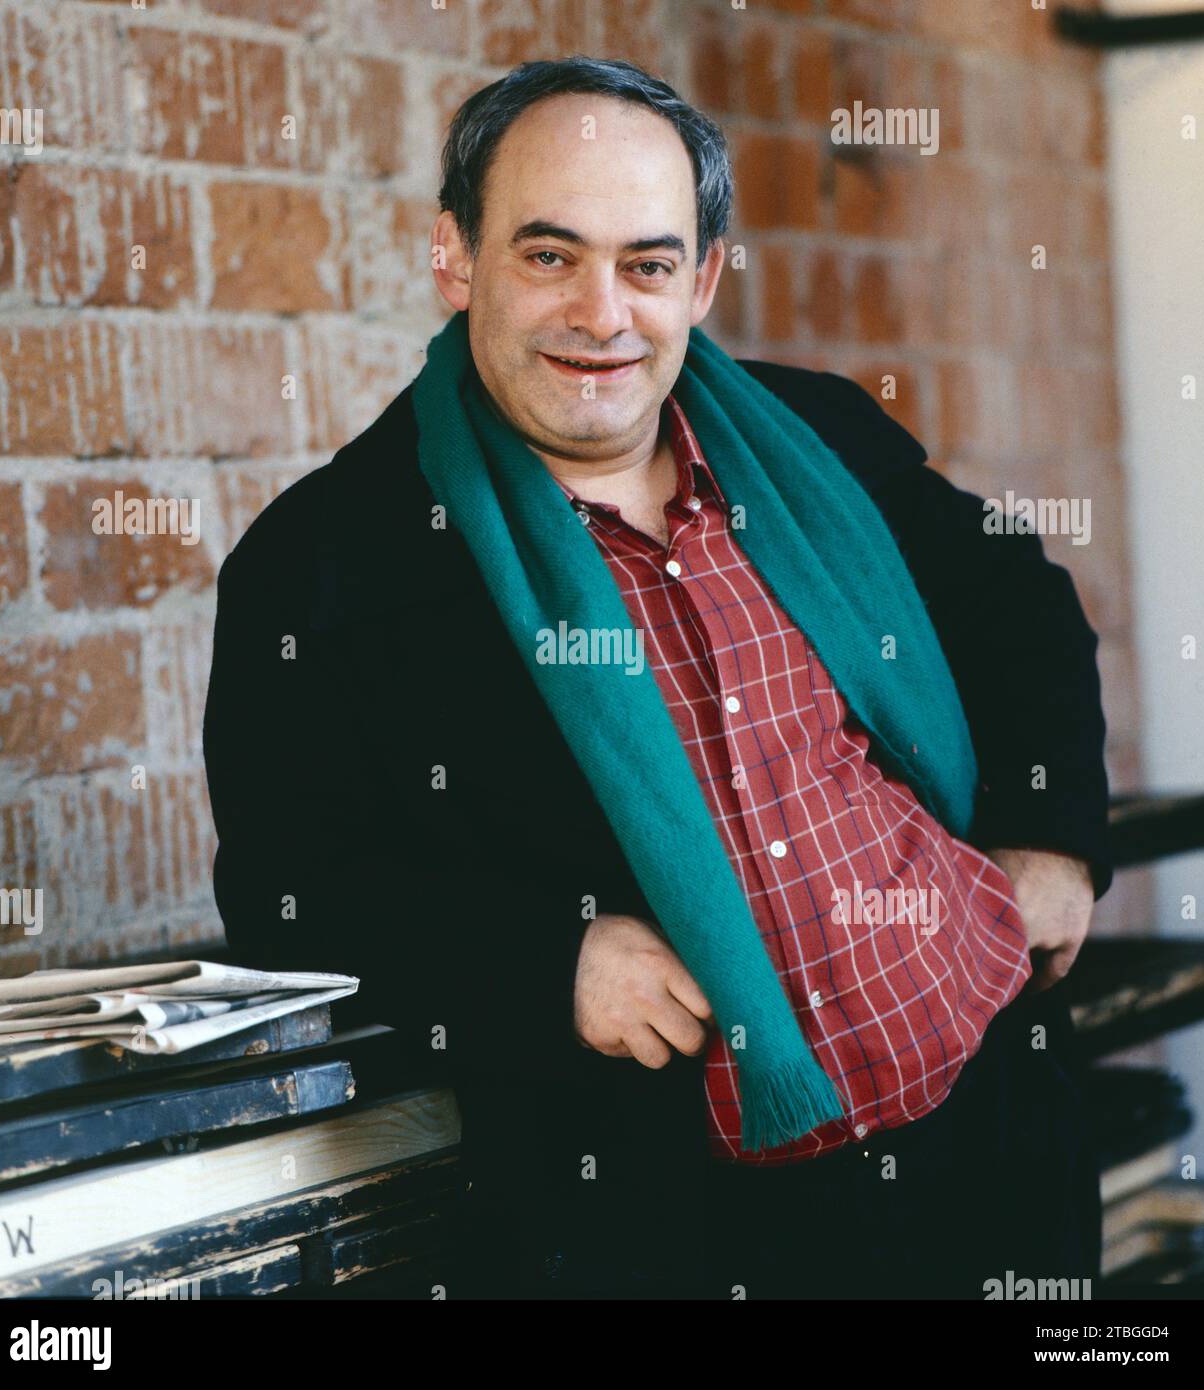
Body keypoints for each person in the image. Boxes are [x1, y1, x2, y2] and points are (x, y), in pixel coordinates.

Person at [203, 57, 1110, 1300]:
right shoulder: (323, 567)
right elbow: (288, 887)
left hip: (986, 1141)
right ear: (453, 257)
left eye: (644, 262)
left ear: (703, 275)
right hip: (674, 1225)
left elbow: (1017, 602)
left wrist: (1051, 835)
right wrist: (544, 964)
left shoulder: (819, 442)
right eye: (545, 255)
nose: (601, 313)